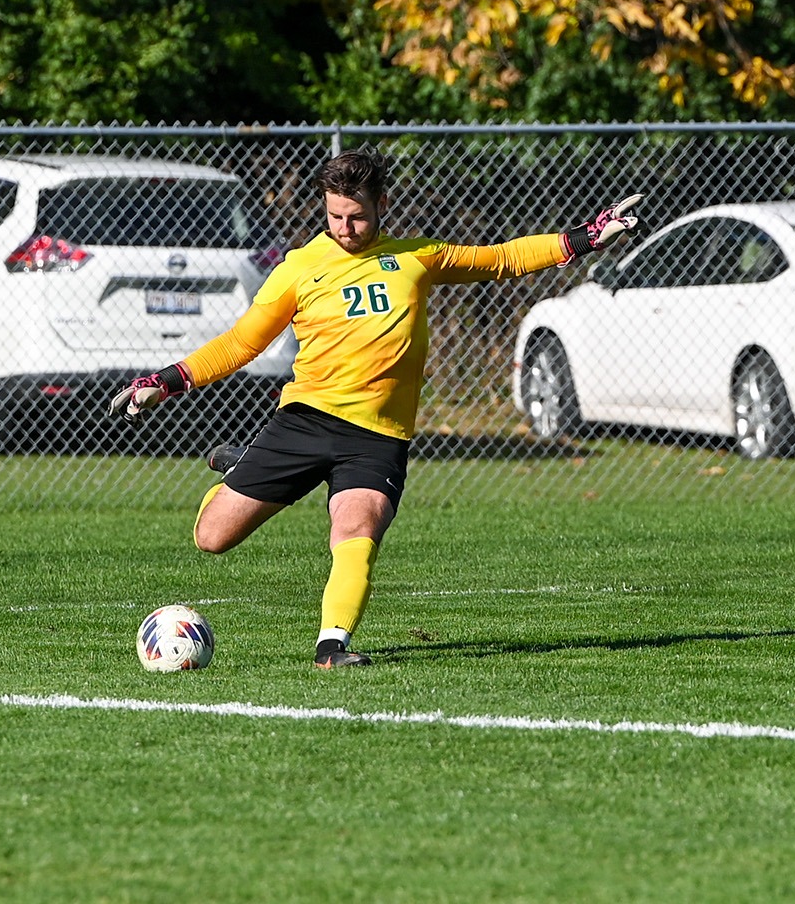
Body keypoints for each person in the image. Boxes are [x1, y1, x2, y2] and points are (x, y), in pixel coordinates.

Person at [111, 148, 642, 668]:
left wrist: (587, 237)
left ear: (382, 203)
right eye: (335, 216)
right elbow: (241, 343)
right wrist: (167, 382)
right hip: (305, 423)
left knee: (356, 529)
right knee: (212, 538)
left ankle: (331, 647)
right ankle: (243, 466)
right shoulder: (299, 269)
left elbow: (501, 259)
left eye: (358, 216)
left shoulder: (416, 257)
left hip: (377, 438)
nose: (345, 227)